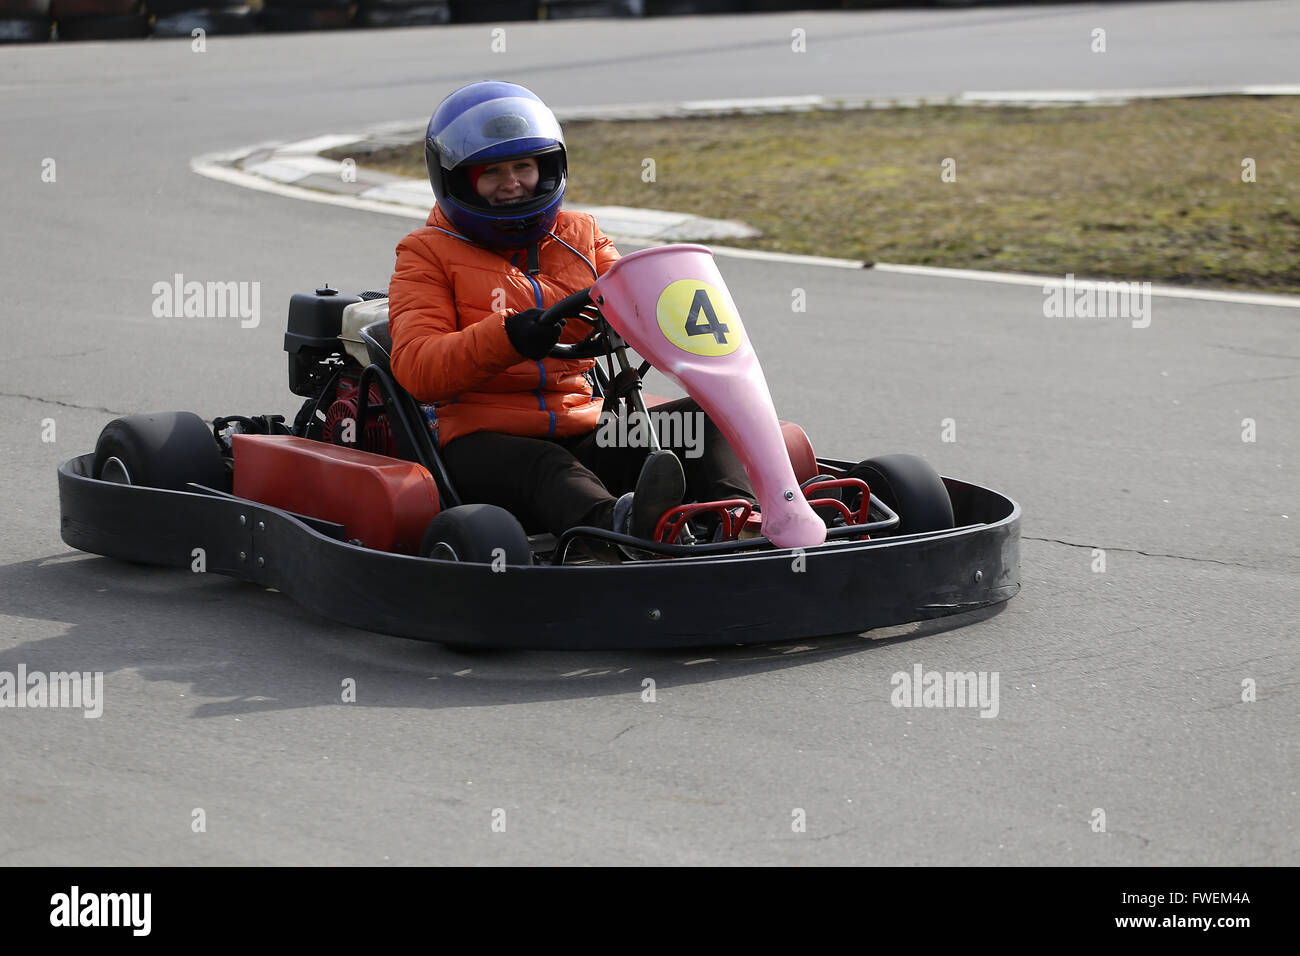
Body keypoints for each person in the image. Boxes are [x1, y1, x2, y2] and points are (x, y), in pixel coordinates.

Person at [388, 80, 753, 553]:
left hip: (584, 426)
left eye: (523, 166)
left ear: (548, 166)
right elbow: (418, 367)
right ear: (457, 179)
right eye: (492, 172)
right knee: (548, 466)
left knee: (701, 419)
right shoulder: (426, 254)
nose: (513, 182)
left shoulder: (580, 234)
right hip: (483, 443)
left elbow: (633, 300)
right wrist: (508, 337)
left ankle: (742, 520)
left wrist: (662, 314)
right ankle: (617, 530)